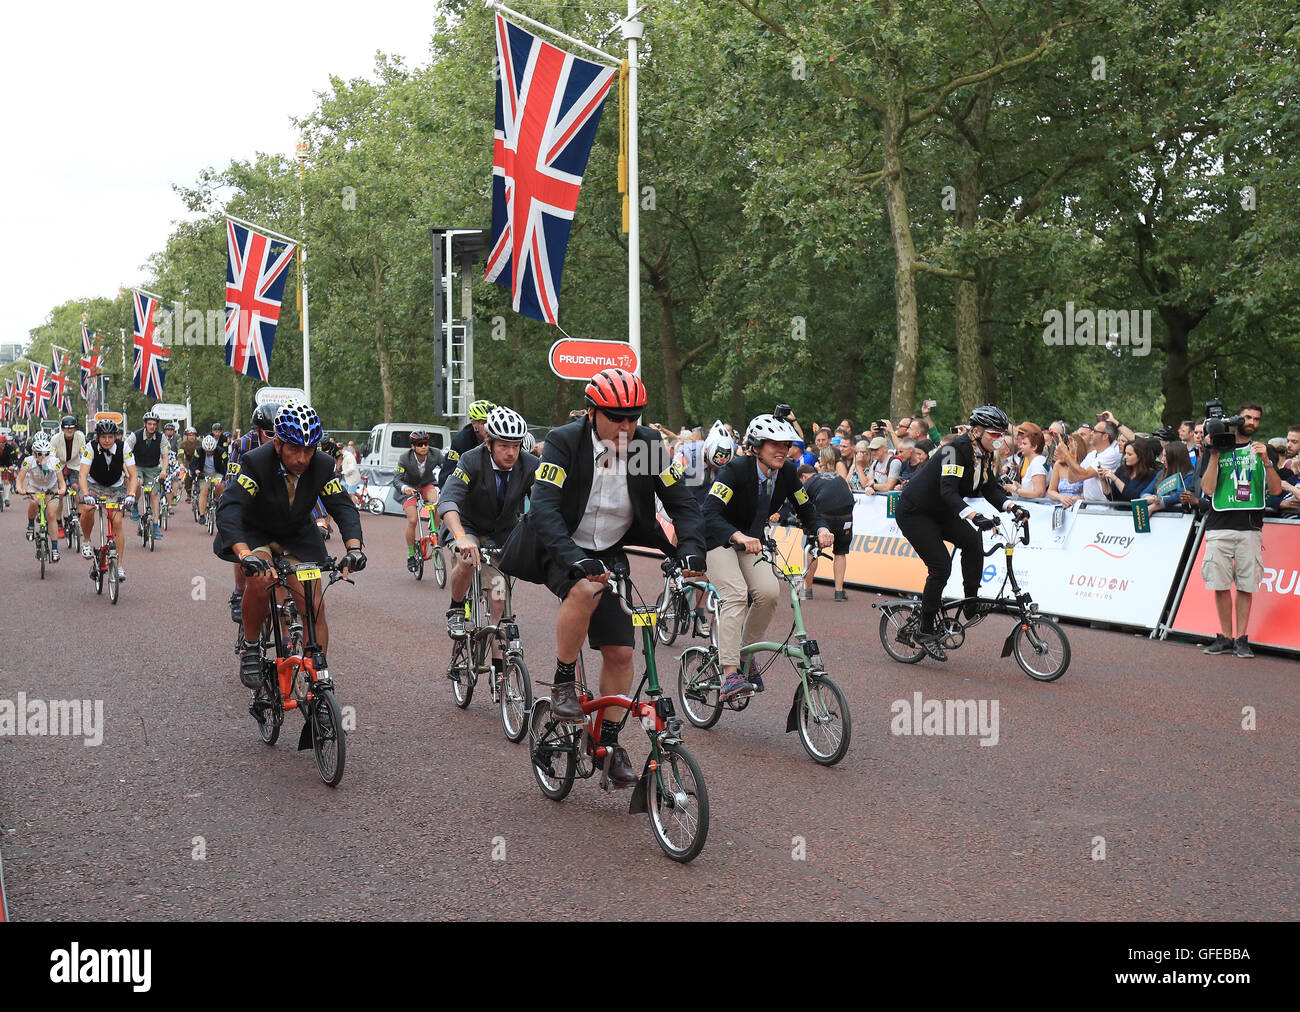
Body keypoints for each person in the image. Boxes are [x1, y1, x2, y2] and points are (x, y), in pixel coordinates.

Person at [501, 368, 705, 788]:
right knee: (585, 588)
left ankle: (607, 746)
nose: (627, 426)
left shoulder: (646, 445)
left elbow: (680, 501)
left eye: (635, 417)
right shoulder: (564, 441)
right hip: (560, 544)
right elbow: (544, 508)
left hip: (611, 549)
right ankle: (562, 683)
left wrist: (690, 548)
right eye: (617, 417)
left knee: (621, 655)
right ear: (593, 412)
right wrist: (575, 559)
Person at [214, 401, 365, 689]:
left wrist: (354, 549)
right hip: (256, 532)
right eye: (295, 449)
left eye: (309, 450)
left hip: (296, 535)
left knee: (314, 603)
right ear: (279, 444)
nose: (302, 458)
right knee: (259, 579)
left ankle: (319, 677)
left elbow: (343, 507)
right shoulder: (256, 462)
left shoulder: (321, 465)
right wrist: (244, 554)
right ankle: (251, 646)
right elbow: (231, 507)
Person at [704, 412, 832, 699]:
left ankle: (745, 659)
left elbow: (806, 508)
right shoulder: (734, 470)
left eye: (786, 445)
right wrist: (737, 535)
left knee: (769, 592)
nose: (782, 450)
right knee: (736, 594)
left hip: (753, 542)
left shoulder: (786, 472)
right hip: (717, 541)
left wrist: (821, 527)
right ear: (755, 446)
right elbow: (709, 513)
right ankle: (729, 675)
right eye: (774, 444)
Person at [896, 405, 1022, 660]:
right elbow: (948, 492)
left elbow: (990, 489)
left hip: (942, 511)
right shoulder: (955, 450)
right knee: (941, 566)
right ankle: (924, 630)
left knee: (973, 541)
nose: (998, 440)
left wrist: (1012, 506)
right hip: (916, 512)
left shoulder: (984, 453)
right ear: (976, 431)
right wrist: (974, 515)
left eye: (1001, 435)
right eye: (993, 435)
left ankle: (971, 602)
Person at [438, 406, 538, 679]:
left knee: (498, 602)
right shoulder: (470, 461)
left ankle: (499, 666)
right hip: (467, 526)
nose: (511, 453)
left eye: (516, 446)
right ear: (489, 443)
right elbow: (448, 500)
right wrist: (459, 537)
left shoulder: (530, 465)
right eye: (504, 446)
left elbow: (545, 505)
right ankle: (456, 608)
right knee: (467, 558)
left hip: (501, 533)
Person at [1197, 403, 1281, 658]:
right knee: (1220, 584)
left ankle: (1242, 638)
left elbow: (1276, 491)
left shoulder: (1263, 450)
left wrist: (1266, 461)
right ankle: (1225, 636)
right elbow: (1208, 489)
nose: (1252, 422)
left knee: (1246, 585)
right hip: (1219, 526)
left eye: (1256, 419)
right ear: (1235, 419)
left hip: (1250, 527)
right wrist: (1214, 454)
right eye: (1247, 417)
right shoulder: (1217, 447)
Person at [224, 405, 279, 623]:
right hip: (246, 498)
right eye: (270, 434)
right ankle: (239, 592)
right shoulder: (242, 445)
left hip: (273, 501)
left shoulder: (284, 443)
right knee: (241, 541)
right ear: (257, 431)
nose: (276, 438)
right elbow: (232, 482)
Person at [77, 419, 138, 580]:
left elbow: (133, 475)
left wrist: (131, 494)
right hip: (94, 484)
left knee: (117, 521)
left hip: (116, 487)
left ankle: (119, 566)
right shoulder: (90, 447)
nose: (107, 440)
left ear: (115, 437)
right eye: (103, 437)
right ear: (98, 437)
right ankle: (87, 541)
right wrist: (86, 494)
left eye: (110, 437)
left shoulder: (123, 447)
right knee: (88, 508)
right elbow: (83, 474)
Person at [796, 463, 854, 601]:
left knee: (812, 550)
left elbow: (801, 506)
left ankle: (807, 590)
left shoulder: (807, 483)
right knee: (840, 552)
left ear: (803, 477)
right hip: (846, 515)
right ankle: (839, 592)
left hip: (824, 515)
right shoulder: (837, 476)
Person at [391, 429, 443, 572]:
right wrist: (405, 488)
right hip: (409, 487)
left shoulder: (436, 454)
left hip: (426, 484)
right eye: (420, 444)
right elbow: (396, 479)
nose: (424, 447)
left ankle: (435, 531)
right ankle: (411, 555)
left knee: (436, 501)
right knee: (413, 520)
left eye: (426, 443)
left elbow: (447, 469)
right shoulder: (404, 458)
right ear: (413, 446)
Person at [17, 434, 66, 560]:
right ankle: (31, 525)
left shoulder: (54, 462)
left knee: (51, 515)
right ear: (34, 453)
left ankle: (55, 549)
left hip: (51, 488)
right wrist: (20, 488)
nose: (42, 457)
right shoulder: (28, 461)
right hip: (35, 487)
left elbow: (61, 481)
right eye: (39, 454)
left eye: (45, 453)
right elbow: (20, 479)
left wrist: (62, 489)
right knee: (33, 503)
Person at [125, 410, 170, 538]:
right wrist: (127, 470)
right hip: (137, 466)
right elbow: (125, 452)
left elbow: (165, 456)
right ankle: (134, 504)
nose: (152, 427)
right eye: (149, 424)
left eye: (154, 424)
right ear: (145, 424)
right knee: (138, 483)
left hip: (153, 468)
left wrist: (163, 471)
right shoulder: (135, 436)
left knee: (154, 494)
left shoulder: (161, 437)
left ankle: (155, 526)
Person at [438, 399, 495, 489]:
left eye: (492, 422)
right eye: (484, 423)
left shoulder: (499, 438)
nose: (489, 427)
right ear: (474, 424)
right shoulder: (461, 441)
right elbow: (448, 474)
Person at [1063, 420, 1122, 500]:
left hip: (1104, 508)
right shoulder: (1091, 455)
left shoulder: (1110, 453)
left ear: (1105, 436)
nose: (1091, 433)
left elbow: (1084, 474)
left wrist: (1066, 454)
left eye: (1095, 431)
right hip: (1089, 505)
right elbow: (1072, 479)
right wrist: (1072, 454)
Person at [1144, 440, 1198, 514]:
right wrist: (1149, 498)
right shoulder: (1161, 474)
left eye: (1166, 456)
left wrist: (1155, 506)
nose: (1162, 459)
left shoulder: (1189, 475)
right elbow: (1145, 492)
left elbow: (1179, 495)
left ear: (1175, 458)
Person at [1003, 422, 1048, 499]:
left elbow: (1040, 493)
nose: (1020, 446)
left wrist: (1016, 490)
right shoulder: (1037, 461)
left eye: (1024, 444)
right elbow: (1031, 490)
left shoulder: (1038, 462)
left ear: (1034, 447)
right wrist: (1018, 485)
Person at [190, 435, 228, 521]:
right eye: (207, 451)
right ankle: (202, 515)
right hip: (203, 473)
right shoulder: (198, 451)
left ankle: (218, 502)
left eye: (211, 451)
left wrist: (226, 475)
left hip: (216, 472)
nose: (209, 453)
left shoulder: (221, 451)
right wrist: (196, 471)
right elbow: (192, 464)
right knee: (204, 491)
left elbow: (227, 463)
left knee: (218, 485)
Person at [1047, 433, 1089, 507]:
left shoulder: (1085, 465)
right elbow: (1051, 491)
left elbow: (1090, 492)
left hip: (1078, 507)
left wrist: (1080, 497)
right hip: (1060, 505)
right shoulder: (1059, 465)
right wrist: (1060, 497)